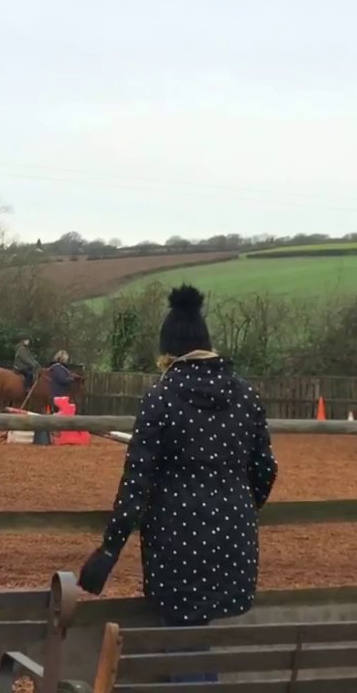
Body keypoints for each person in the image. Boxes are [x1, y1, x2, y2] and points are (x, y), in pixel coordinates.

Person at [77, 285, 277, 684]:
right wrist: (236, 508)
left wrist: (108, 552)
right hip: (234, 533)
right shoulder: (246, 395)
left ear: (168, 352)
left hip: (176, 535)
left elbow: (136, 483)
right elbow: (265, 469)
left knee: (184, 639)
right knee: (192, 638)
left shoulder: (162, 397)